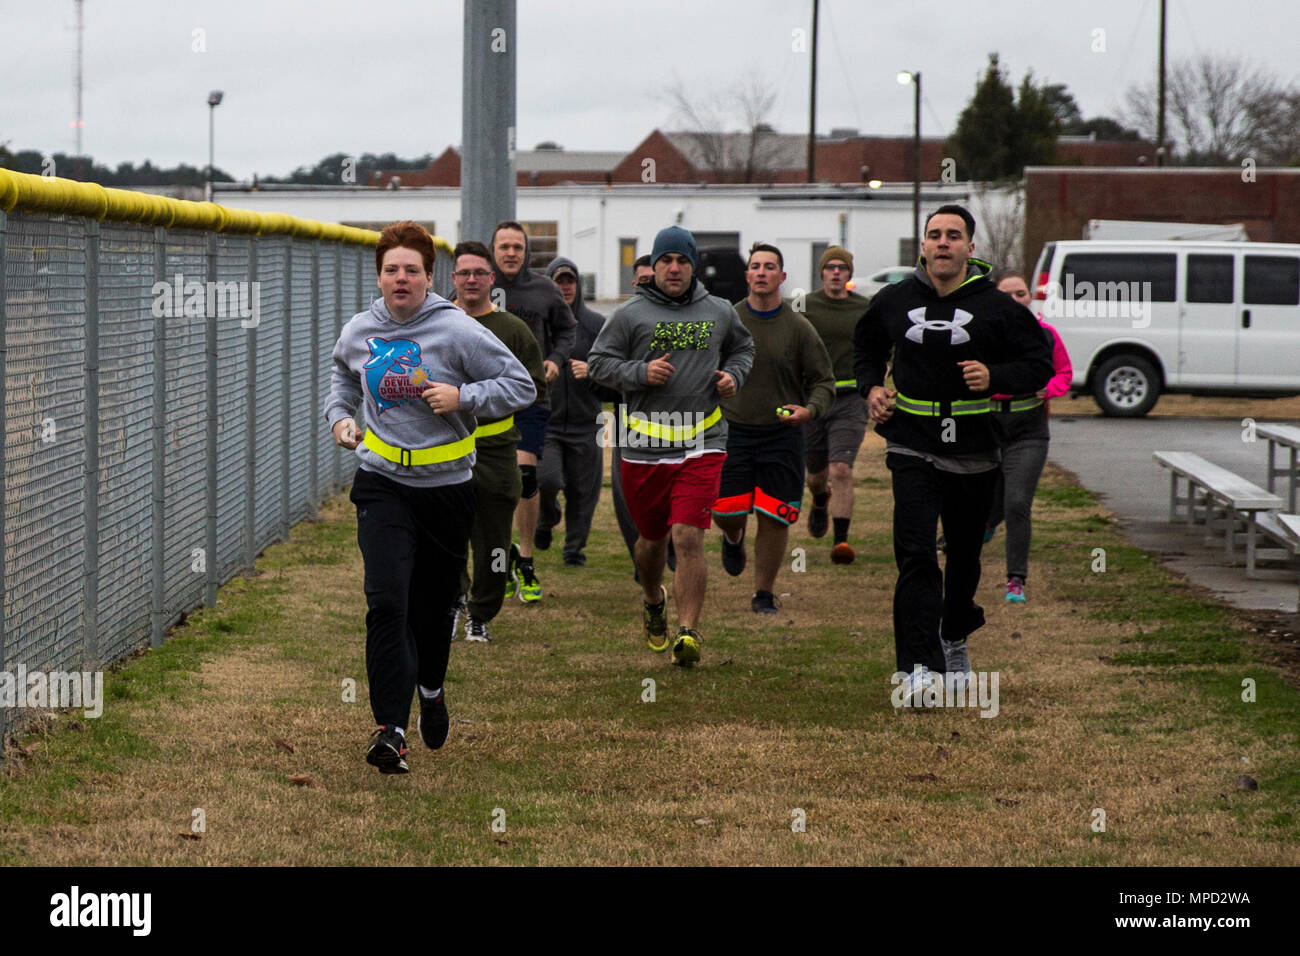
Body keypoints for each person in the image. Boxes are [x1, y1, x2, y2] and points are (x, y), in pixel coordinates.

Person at [324, 221, 535, 772]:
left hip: (447, 487)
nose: (400, 278)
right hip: (382, 482)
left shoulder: (457, 330)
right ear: (379, 276)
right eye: (391, 269)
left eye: (411, 270)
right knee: (387, 600)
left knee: (433, 608)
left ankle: (432, 689)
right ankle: (390, 728)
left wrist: (464, 394)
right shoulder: (359, 330)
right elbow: (342, 381)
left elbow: (521, 385)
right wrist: (341, 420)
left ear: (428, 276)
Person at [853, 204, 1052, 707]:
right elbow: (866, 347)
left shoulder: (999, 308)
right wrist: (872, 387)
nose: (943, 243)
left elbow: (1039, 362)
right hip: (910, 444)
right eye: (934, 235)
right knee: (917, 555)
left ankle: (954, 635)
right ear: (922, 245)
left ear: (970, 248)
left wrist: (996, 378)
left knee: (963, 557)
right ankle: (917, 668)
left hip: (975, 449)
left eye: (953, 236)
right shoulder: (895, 300)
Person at [588, 226, 754, 667]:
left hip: (703, 440)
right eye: (666, 261)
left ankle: (689, 631)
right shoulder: (629, 315)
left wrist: (733, 375)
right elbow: (598, 364)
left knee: (689, 537)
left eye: (682, 261)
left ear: (693, 264)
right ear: (654, 266)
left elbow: (743, 347)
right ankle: (651, 597)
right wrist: (640, 374)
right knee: (651, 541)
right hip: (644, 444)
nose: (674, 269)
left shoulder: (719, 311)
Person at [712, 243, 834, 613]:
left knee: (774, 514)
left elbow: (823, 382)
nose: (762, 272)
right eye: (755, 266)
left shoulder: (798, 327)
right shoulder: (727, 322)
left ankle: (763, 593)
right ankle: (733, 537)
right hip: (732, 430)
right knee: (726, 511)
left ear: (782, 277)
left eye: (770, 267)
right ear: (747, 275)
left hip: (782, 434)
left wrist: (809, 411)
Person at [449, 241, 548, 642]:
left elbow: (534, 388)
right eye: (464, 273)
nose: (471, 279)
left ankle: (481, 613)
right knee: (445, 533)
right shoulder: (436, 322)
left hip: (495, 450)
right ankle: (452, 602)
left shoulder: (512, 330)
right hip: (444, 450)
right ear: (452, 278)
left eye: (479, 273)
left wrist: (481, 396)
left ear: (492, 279)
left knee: (493, 542)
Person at [490, 221, 577, 604]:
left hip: (530, 397)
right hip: (484, 399)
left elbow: (567, 331)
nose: (511, 253)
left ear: (527, 252)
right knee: (492, 483)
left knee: (526, 477)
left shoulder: (544, 290)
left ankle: (525, 560)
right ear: (494, 250)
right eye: (504, 246)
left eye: (517, 247)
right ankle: (497, 557)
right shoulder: (478, 286)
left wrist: (556, 359)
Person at [986, 270, 1073, 603]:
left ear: (1030, 298)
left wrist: (1048, 388)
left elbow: (1064, 372)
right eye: (1005, 294)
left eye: (1020, 294)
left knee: (1018, 501)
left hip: (1029, 429)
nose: (1014, 300)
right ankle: (986, 523)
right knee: (987, 499)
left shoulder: (1046, 335)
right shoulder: (983, 334)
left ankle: (1015, 579)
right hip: (987, 424)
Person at [536, 256, 619, 566]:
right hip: (548, 423)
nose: (565, 287)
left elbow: (615, 377)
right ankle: (546, 519)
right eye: (559, 281)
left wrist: (595, 373)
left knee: (584, 495)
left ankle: (574, 551)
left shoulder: (597, 325)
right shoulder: (538, 325)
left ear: (579, 286)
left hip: (587, 424)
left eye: (570, 281)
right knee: (546, 481)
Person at [802, 245, 873, 564]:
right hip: (814, 397)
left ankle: (841, 543)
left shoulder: (865, 308)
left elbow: (880, 344)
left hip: (850, 398)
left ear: (849, 273)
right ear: (821, 272)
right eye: (829, 267)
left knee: (841, 469)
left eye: (841, 268)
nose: (835, 272)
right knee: (816, 475)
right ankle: (819, 500)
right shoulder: (805, 306)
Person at [611, 255, 658, 575]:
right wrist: (640, 374)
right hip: (629, 420)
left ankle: (665, 550)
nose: (647, 288)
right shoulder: (621, 321)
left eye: (651, 281)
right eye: (642, 282)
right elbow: (603, 372)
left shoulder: (683, 319)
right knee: (628, 495)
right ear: (634, 284)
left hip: (680, 420)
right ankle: (641, 562)